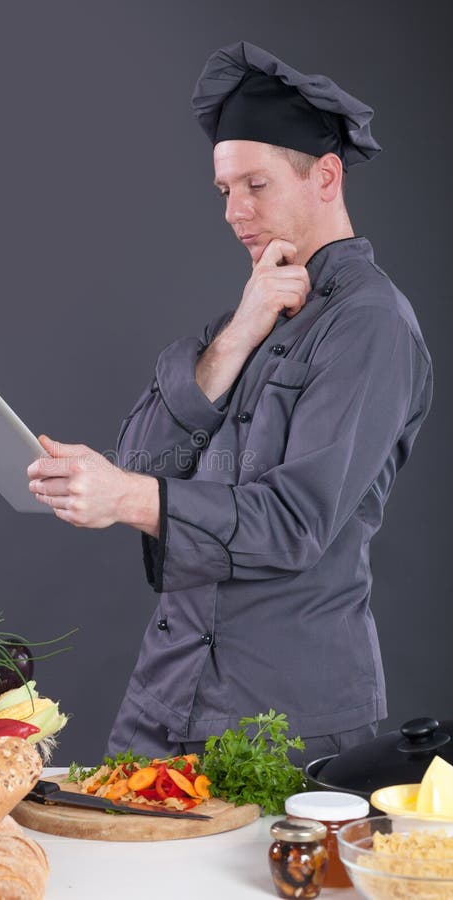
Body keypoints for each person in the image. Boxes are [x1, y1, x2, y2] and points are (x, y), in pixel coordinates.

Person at [26, 41, 433, 766]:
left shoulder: (371, 324)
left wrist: (128, 498)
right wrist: (235, 340)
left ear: (326, 177)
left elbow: (295, 522)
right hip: (162, 700)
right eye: (223, 192)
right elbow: (143, 456)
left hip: (283, 720)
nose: (234, 212)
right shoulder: (248, 311)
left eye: (255, 185)